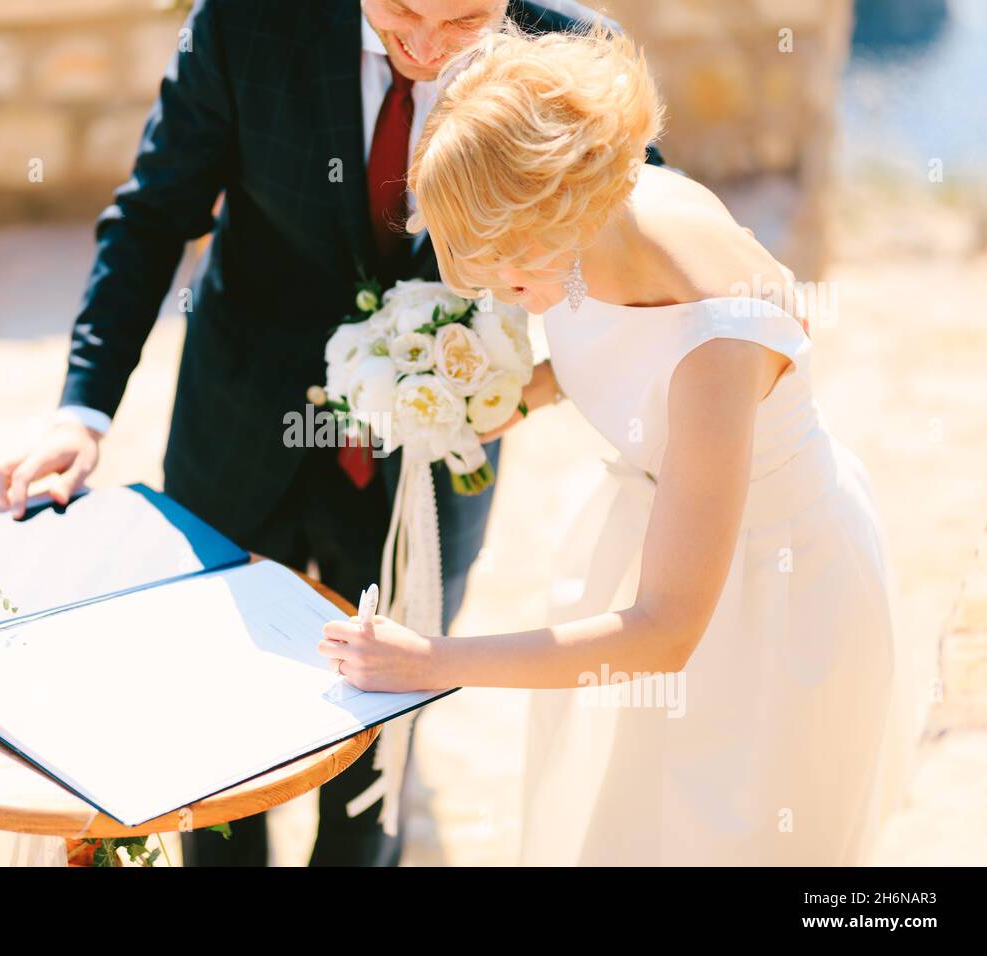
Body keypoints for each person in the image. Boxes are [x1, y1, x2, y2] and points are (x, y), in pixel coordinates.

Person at [0, 1, 643, 866]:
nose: (426, 46)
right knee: (215, 726)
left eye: (467, 18)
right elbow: (153, 212)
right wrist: (84, 408)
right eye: (404, 8)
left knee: (379, 745)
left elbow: (626, 254)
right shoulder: (248, 19)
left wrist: (523, 392)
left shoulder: (574, 55)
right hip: (242, 423)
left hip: (428, 465)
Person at [319, 26, 913, 864]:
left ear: (559, 212)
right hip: (667, 546)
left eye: (514, 279)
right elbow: (635, 342)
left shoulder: (718, 345)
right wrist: (519, 396)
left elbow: (667, 632)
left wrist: (432, 662)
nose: (515, 303)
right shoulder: (603, 208)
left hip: (769, 603)